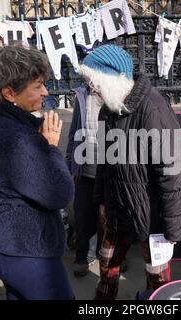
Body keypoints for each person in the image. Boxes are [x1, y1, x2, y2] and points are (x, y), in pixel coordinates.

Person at [77, 44, 181, 300]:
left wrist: (173, 230)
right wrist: (102, 200)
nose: (90, 88)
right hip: (117, 207)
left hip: (151, 216)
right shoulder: (111, 105)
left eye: (92, 81)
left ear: (112, 77)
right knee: (107, 270)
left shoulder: (154, 111)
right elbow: (104, 161)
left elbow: (174, 176)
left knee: (158, 283)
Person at [0, 45, 75, 300]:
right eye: (38, 85)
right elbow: (58, 193)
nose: (45, 91)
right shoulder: (17, 137)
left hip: (2, 243)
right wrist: (50, 146)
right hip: (23, 248)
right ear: (9, 93)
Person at [65, 82, 104, 277]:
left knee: (110, 217)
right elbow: (74, 132)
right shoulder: (81, 95)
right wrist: (69, 163)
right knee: (83, 214)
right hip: (84, 167)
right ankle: (84, 257)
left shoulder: (116, 92)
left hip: (110, 166)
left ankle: (112, 258)